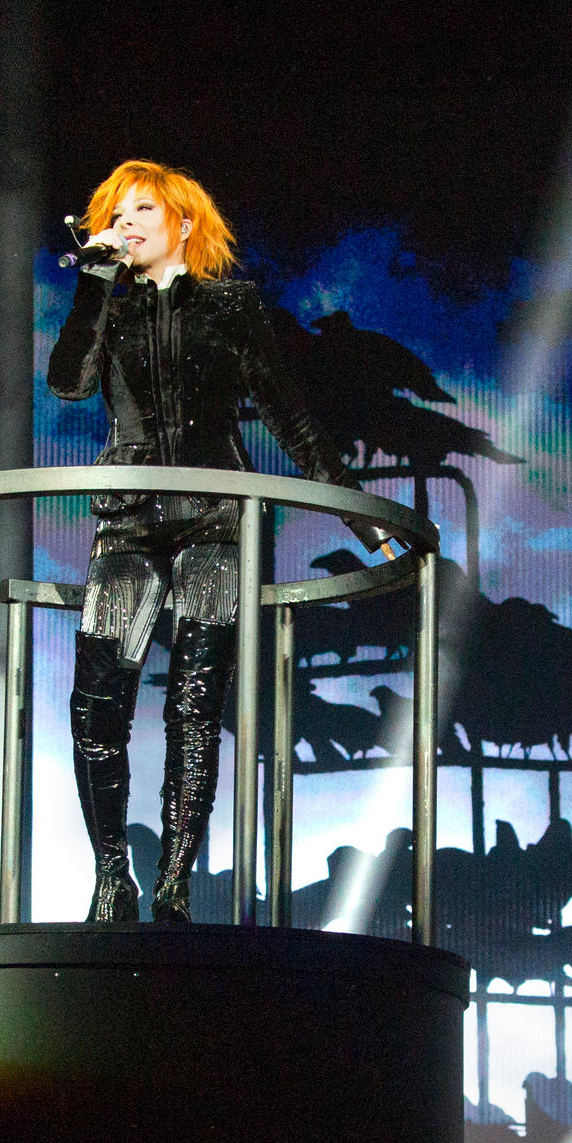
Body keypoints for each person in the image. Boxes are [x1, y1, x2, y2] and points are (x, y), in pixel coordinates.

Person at [48, 160, 386, 923]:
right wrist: (93, 286)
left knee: (196, 707)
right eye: (115, 212)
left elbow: (287, 414)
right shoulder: (111, 304)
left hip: (213, 515)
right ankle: (112, 875)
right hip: (128, 517)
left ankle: (173, 877)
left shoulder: (231, 305)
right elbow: (68, 382)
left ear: (183, 224)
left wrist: (360, 519)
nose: (126, 223)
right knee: (97, 705)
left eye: (142, 210)